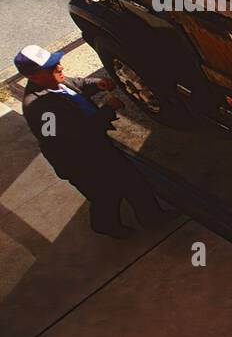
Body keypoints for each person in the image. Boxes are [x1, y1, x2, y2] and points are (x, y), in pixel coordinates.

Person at [15, 44, 167, 238]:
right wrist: (108, 109)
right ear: (34, 77)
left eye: (58, 63)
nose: (61, 68)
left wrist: (96, 83)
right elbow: (81, 133)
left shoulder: (54, 82)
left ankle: (151, 217)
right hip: (80, 161)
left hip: (96, 148)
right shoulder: (41, 109)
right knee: (106, 196)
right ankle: (105, 223)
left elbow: (76, 85)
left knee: (132, 181)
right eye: (53, 67)